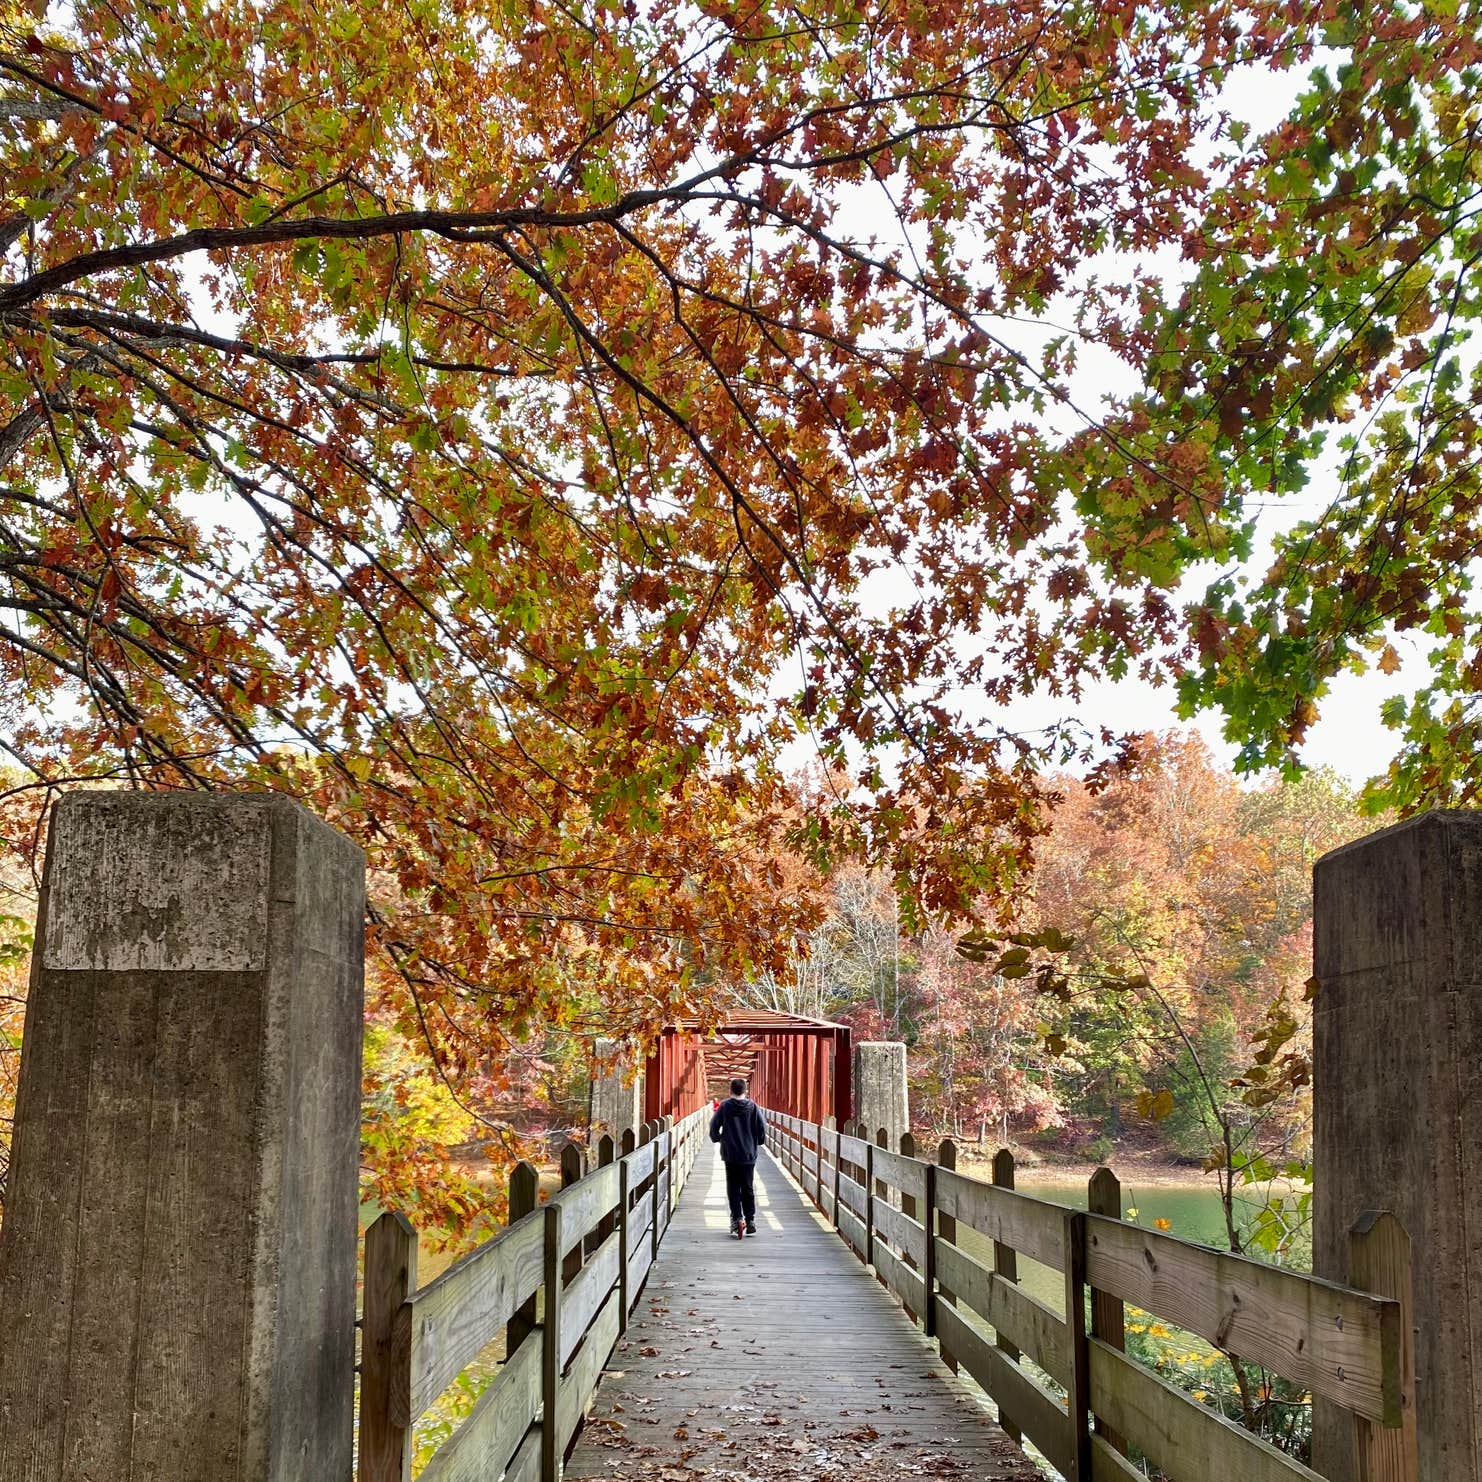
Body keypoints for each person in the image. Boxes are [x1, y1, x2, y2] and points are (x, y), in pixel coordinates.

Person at [709, 1077, 766, 1238]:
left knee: (733, 1186)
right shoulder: (753, 1107)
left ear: (730, 1091)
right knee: (747, 1186)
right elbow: (761, 1128)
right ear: (745, 1091)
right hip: (748, 1154)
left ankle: (736, 1218)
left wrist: (718, 1139)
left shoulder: (725, 1106)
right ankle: (750, 1219)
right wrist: (758, 1141)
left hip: (731, 1154)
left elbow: (713, 1127)